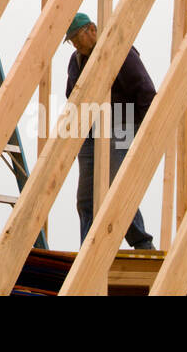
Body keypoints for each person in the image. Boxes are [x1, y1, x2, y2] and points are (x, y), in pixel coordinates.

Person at [65, 13, 156, 250]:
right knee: (85, 195)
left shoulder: (120, 51)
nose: (75, 44)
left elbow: (145, 89)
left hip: (122, 122)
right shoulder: (76, 62)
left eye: (77, 37)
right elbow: (72, 97)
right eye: (71, 40)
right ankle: (89, 248)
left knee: (113, 186)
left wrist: (147, 130)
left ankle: (142, 243)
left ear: (92, 30)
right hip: (92, 129)